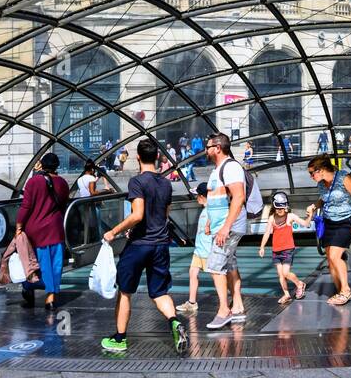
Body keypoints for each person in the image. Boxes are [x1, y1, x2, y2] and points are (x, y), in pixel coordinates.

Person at [100, 139, 188, 355]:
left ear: (137, 157)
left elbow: (137, 214)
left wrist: (114, 231)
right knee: (159, 292)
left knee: (125, 292)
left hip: (139, 245)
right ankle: (174, 322)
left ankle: (119, 339)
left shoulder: (137, 182)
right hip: (160, 244)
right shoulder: (166, 184)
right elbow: (164, 216)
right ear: (157, 157)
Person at [202, 133, 249, 330]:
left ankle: (224, 311)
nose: (206, 150)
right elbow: (216, 198)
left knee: (215, 267)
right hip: (220, 226)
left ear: (218, 148)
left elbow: (238, 197)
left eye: (208, 146)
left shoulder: (231, 167)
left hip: (228, 228)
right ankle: (237, 306)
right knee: (230, 265)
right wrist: (210, 222)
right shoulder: (218, 170)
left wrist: (225, 227)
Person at [304, 155, 351, 306]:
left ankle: (346, 290)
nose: (310, 176)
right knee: (330, 260)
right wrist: (314, 206)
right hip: (329, 222)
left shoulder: (344, 178)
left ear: (321, 170)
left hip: (345, 222)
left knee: (336, 256)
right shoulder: (321, 184)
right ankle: (339, 291)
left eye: (312, 173)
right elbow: (323, 199)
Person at [15, 153, 70, 310]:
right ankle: (51, 297)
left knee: (35, 263)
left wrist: (19, 226)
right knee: (55, 265)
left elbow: (25, 206)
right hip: (56, 228)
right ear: (57, 165)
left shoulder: (34, 182)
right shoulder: (62, 183)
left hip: (35, 230)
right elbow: (63, 204)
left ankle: (29, 287)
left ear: (42, 165)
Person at [258, 191, 309, 303]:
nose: (280, 211)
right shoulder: (272, 218)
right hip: (276, 251)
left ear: (286, 207)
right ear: (274, 208)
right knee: (281, 275)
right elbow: (267, 233)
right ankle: (286, 294)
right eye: (277, 208)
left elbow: (305, 224)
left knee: (286, 273)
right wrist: (262, 247)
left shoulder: (290, 216)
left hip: (287, 249)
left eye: (282, 208)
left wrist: (310, 216)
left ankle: (299, 284)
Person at [176, 182, 211, 315]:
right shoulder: (204, 210)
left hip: (208, 251)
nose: (196, 198)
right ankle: (191, 302)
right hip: (199, 250)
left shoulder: (212, 210)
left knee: (217, 277)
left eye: (197, 195)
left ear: (202, 196)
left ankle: (227, 302)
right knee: (192, 273)